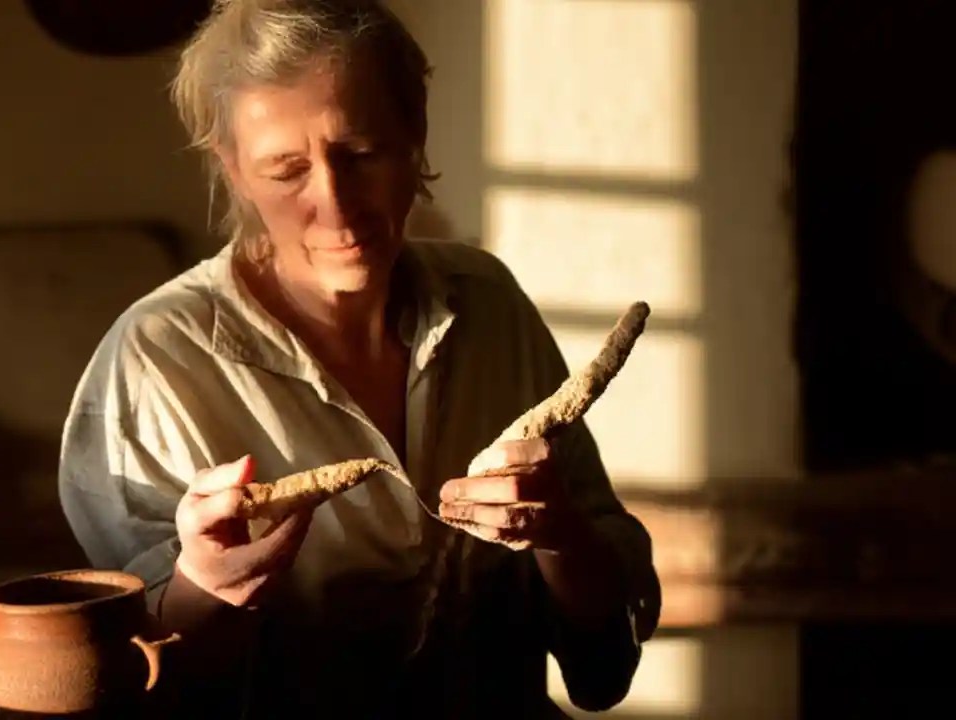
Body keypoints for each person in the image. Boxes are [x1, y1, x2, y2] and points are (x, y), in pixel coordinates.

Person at [58, 0, 660, 716]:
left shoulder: (490, 305)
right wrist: (201, 588)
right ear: (235, 170)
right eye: (286, 170)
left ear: (416, 133)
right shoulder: (155, 364)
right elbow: (129, 683)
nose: (336, 206)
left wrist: (560, 537)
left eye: (361, 152)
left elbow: (603, 654)